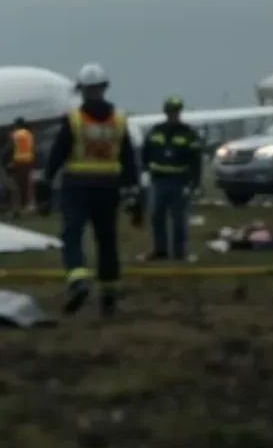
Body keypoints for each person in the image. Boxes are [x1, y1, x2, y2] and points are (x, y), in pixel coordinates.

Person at [43, 63, 141, 318]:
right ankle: (109, 298)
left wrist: (46, 180)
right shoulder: (119, 120)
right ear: (104, 88)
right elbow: (129, 157)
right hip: (108, 189)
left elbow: (58, 153)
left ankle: (79, 280)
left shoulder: (74, 120)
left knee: (72, 235)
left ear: (82, 90)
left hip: (77, 187)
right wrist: (133, 190)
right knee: (107, 242)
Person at [140, 96, 203, 262]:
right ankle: (160, 251)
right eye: (171, 111)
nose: (173, 114)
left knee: (179, 220)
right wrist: (144, 172)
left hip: (179, 181)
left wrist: (195, 183)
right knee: (156, 217)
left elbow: (196, 159)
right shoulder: (155, 131)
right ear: (166, 112)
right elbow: (145, 153)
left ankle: (180, 253)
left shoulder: (188, 134)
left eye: (176, 111)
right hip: (158, 181)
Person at [2, 118, 35, 216]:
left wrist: (6, 162)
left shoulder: (14, 135)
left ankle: (16, 208)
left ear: (16, 125)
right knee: (26, 185)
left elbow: (10, 148)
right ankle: (29, 206)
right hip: (28, 161)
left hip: (17, 161)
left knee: (15, 186)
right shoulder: (29, 135)